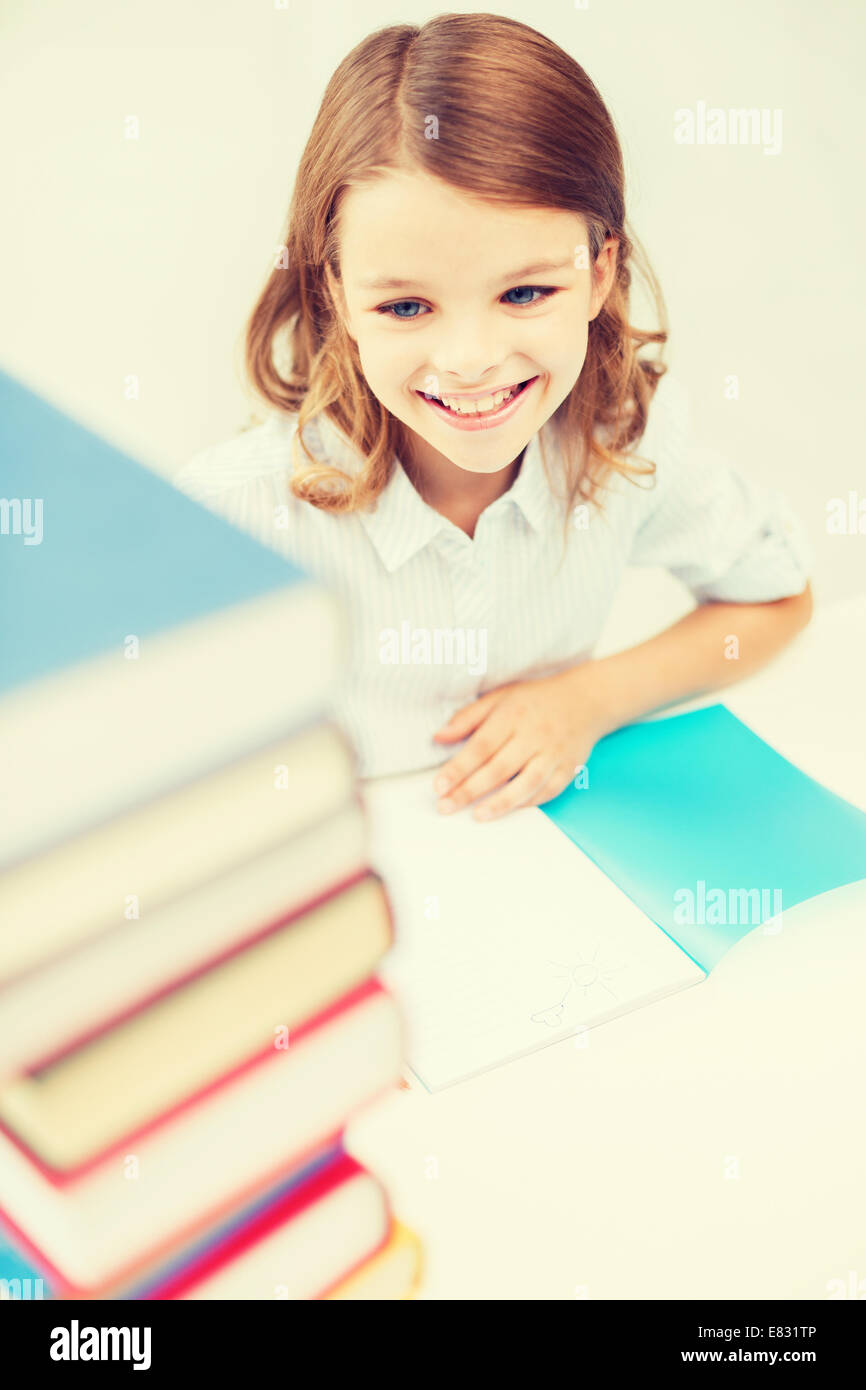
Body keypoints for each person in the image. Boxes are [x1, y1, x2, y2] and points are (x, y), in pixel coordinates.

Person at [175, 13, 813, 820]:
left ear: (598, 270)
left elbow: (777, 598)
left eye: (524, 293)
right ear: (339, 296)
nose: (470, 358)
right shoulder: (234, 511)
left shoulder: (624, 445)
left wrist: (588, 700)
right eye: (406, 305)